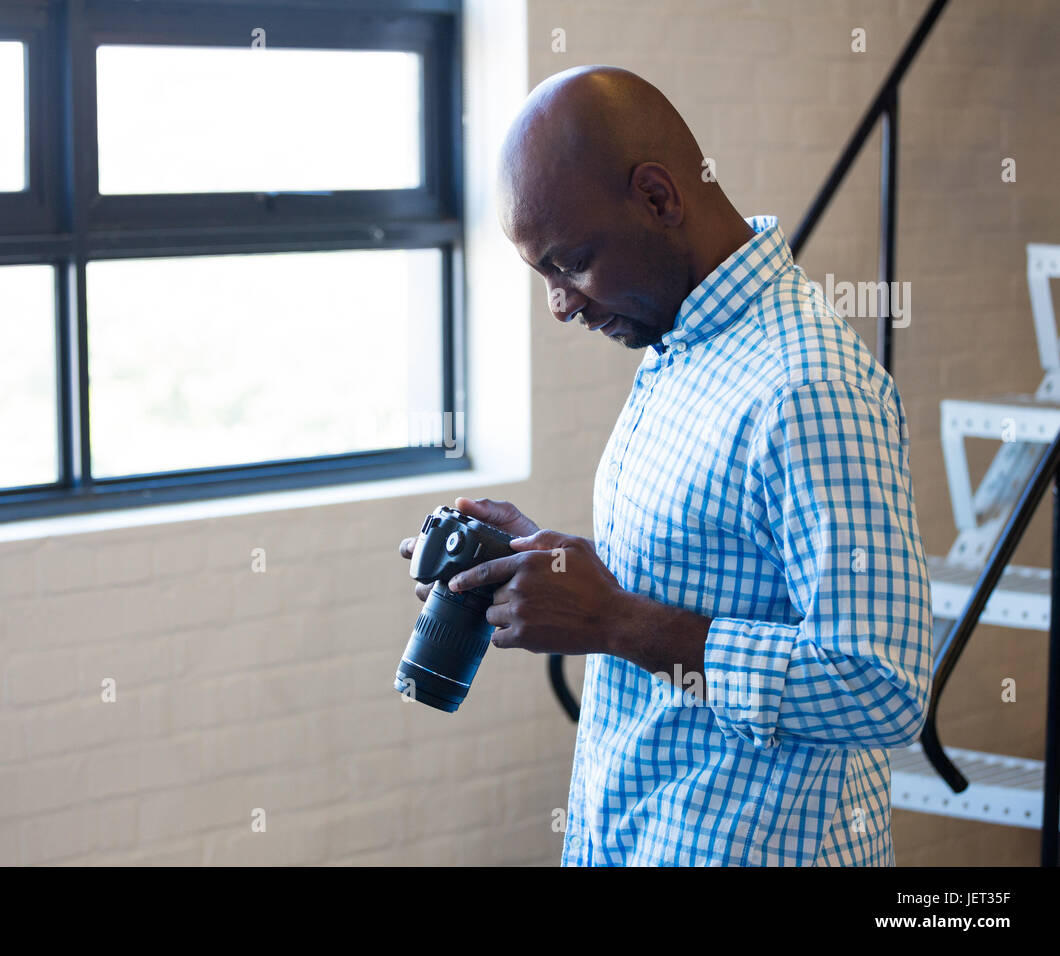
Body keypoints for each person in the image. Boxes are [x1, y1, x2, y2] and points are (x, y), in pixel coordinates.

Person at [398, 66, 933, 866]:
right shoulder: (682, 344)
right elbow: (714, 577)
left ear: (658, 198)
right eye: (543, 276)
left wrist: (614, 622)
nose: (561, 304)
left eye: (570, 263)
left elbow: (882, 687)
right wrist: (552, 570)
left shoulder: (808, 386)